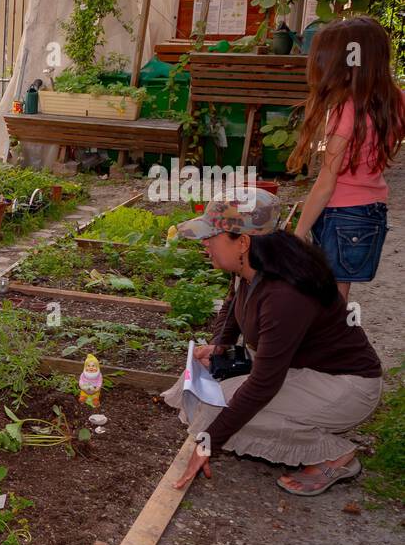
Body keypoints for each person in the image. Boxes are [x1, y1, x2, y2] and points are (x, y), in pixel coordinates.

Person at [163, 196, 382, 496]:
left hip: (345, 387)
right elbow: (232, 305)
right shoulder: (255, 266)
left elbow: (264, 384)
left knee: (215, 407)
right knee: (209, 388)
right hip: (303, 368)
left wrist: (207, 444)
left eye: (210, 237)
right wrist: (219, 345)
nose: (204, 244)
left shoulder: (284, 295)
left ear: (243, 243)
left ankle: (334, 455)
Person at [290, 15, 405, 299]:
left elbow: (327, 182)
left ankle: (335, 343)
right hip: (372, 211)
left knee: (330, 301)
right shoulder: (397, 100)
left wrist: (299, 232)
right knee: (337, 296)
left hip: (342, 214)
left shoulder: (347, 110)